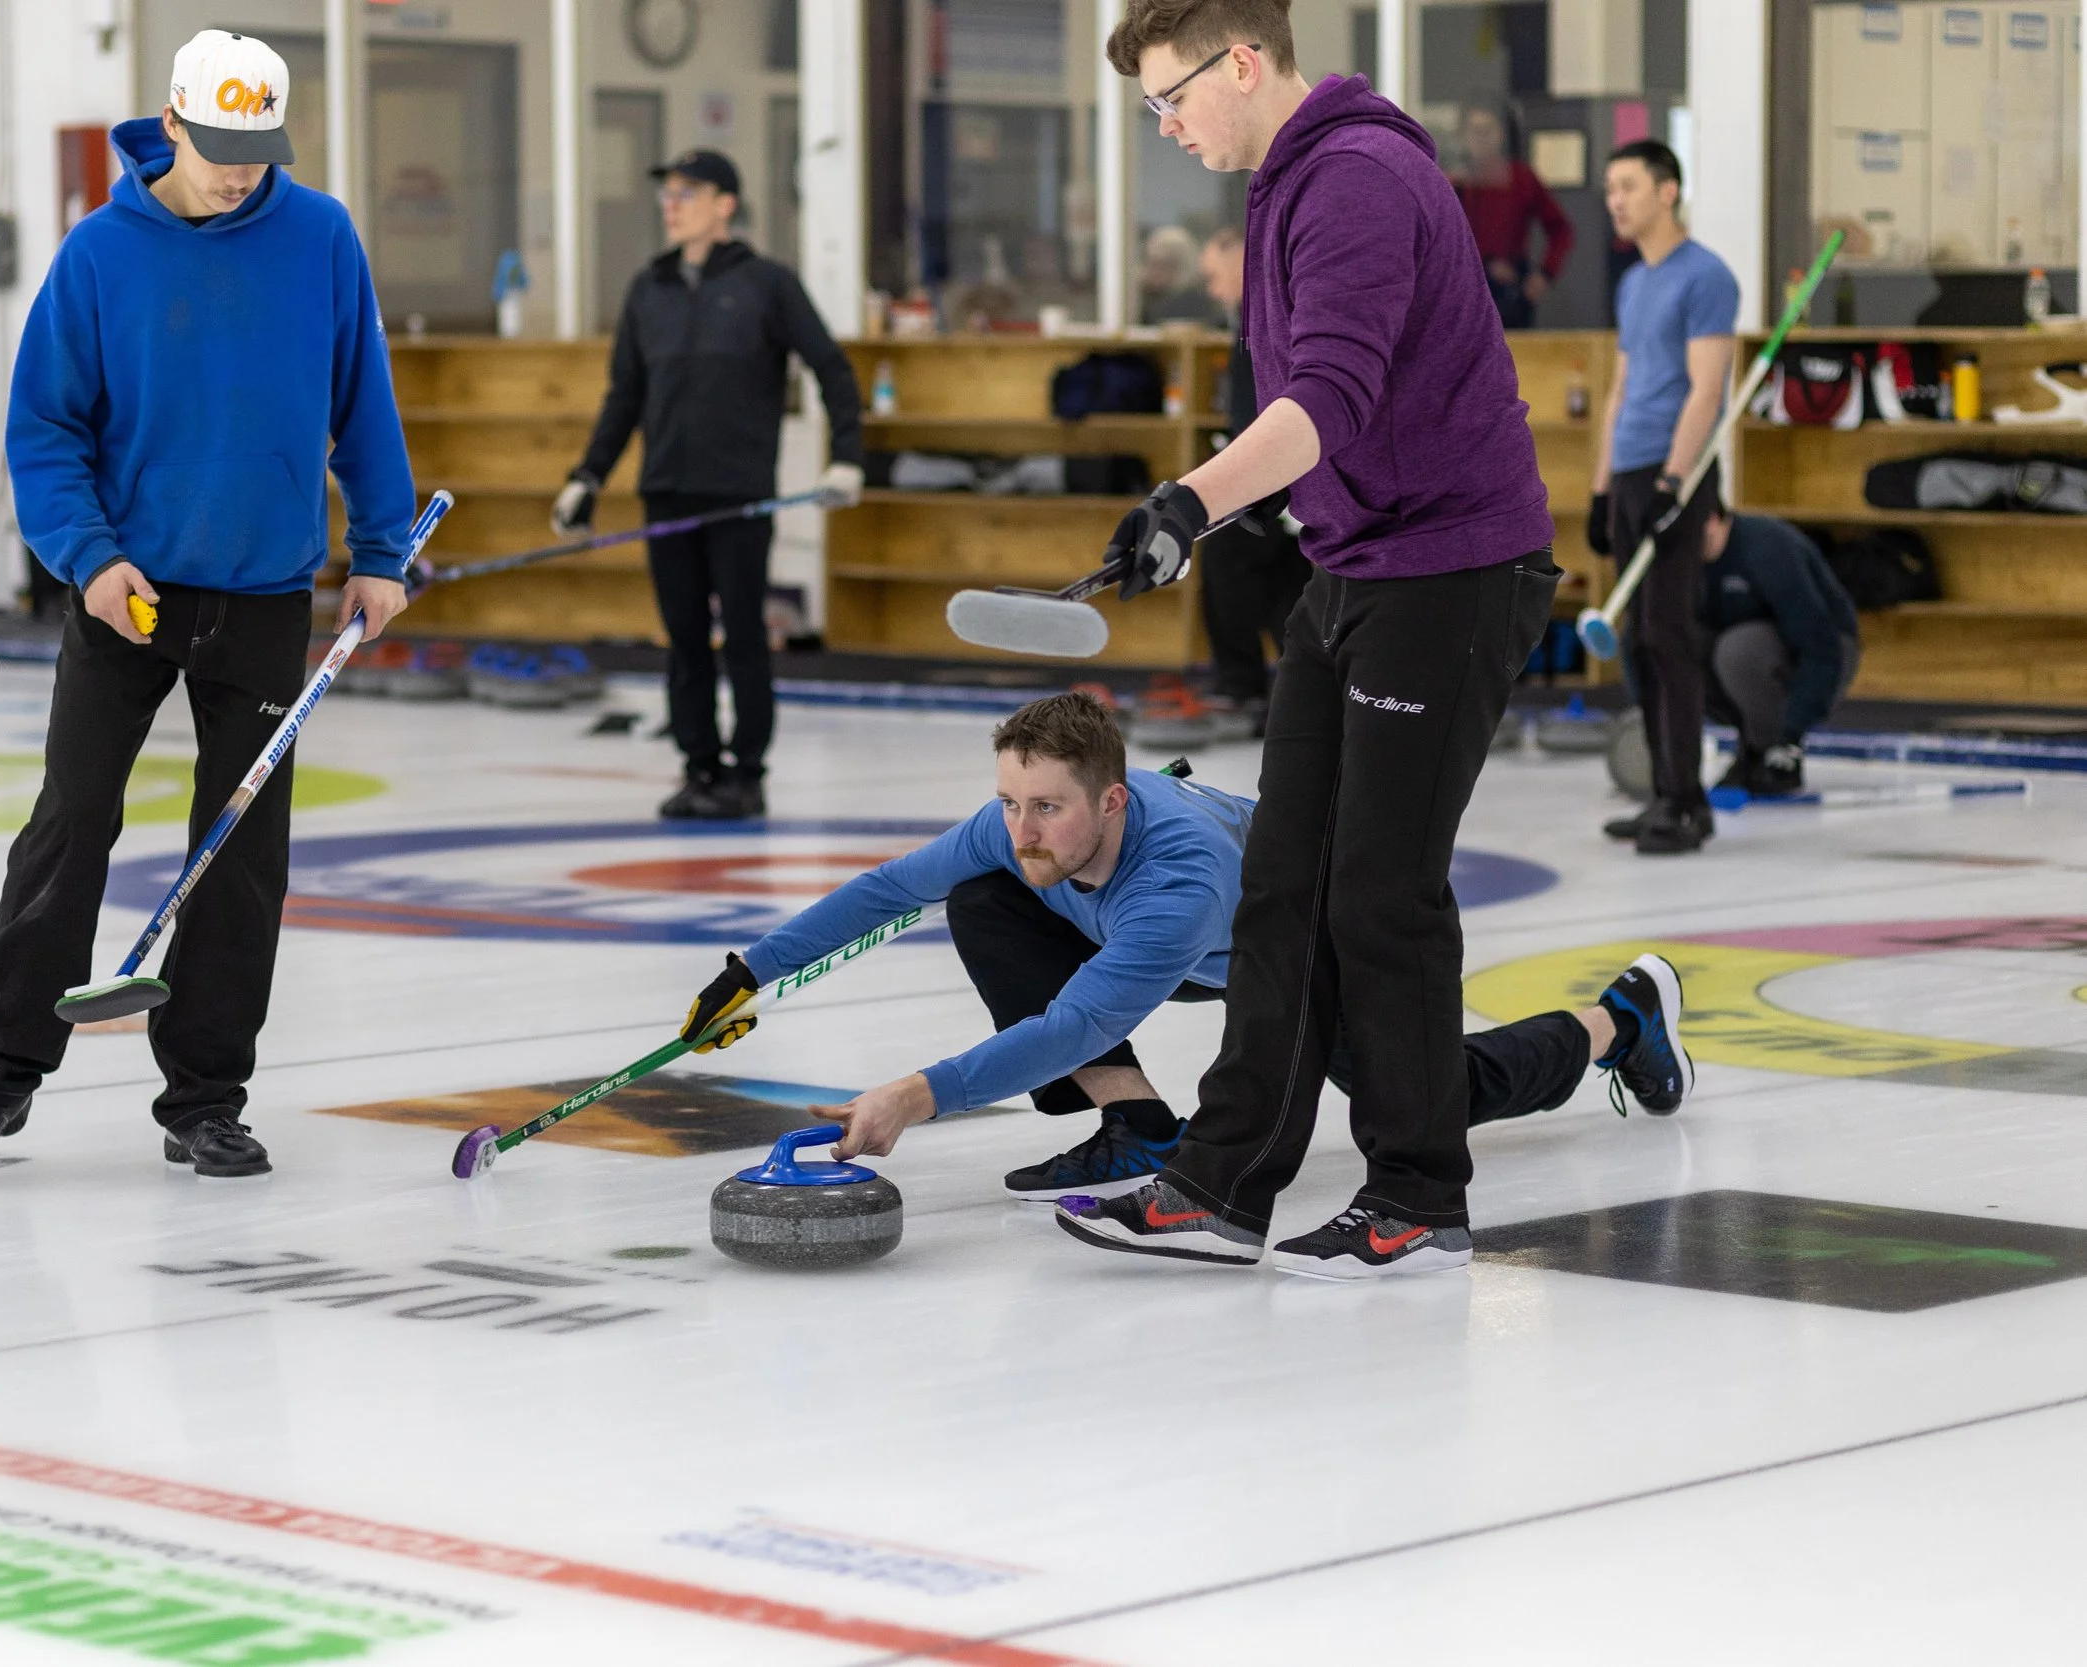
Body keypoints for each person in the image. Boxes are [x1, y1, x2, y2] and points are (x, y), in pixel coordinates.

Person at [1067, 1, 1562, 1279]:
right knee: (1283, 882)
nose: (1164, 124)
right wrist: (1217, 514)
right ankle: (1219, 1185)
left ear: (1242, 61)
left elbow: (1327, 398)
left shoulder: (1352, 178)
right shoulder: (1283, 181)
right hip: (1354, 568)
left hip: (1452, 571)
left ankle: (1417, 1194)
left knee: (1378, 893)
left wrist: (1189, 500)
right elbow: (1325, 413)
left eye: (1169, 95)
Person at [0, 30, 416, 1188]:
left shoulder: (320, 235)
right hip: (126, 591)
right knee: (71, 822)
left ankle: (205, 1097)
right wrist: (87, 559)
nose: (241, 172)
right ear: (172, 123)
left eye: (260, 151)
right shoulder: (100, 254)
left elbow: (362, 400)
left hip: (266, 590)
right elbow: (45, 428)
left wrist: (381, 549)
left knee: (240, 850)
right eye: (222, 147)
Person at [677, 693, 1691, 1202]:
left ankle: (1621, 1016)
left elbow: (1074, 1021)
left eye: (1046, 808)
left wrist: (911, 1093)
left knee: (1428, 1102)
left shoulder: (1177, 882)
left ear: (1109, 801)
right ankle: (1140, 1128)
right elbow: (893, 886)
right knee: (984, 896)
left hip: (1304, 936)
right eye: (1009, 801)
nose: (1020, 826)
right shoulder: (1018, 832)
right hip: (1176, 942)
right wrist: (749, 971)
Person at [557, 149, 864, 822]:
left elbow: (833, 371)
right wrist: (586, 477)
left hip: (739, 494)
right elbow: (624, 396)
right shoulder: (648, 289)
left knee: (744, 636)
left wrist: (846, 458)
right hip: (666, 491)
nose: (671, 204)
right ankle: (699, 767)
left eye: (687, 192)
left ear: (725, 203)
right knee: (684, 638)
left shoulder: (766, 284)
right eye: (667, 193)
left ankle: (745, 773)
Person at [1587, 138, 1739, 855]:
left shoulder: (1706, 277)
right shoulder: (1634, 281)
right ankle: (1659, 790)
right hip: (1628, 472)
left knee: (1666, 634)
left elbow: (1706, 391)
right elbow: (1620, 389)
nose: (1615, 200)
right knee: (1636, 643)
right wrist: (1599, 487)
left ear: (1667, 191)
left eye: (1627, 186)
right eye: (1609, 188)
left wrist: (1676, 483)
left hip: (1675, 474)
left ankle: (1687, 801)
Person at [1194, 224, 1308, 731]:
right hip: (1272, 472)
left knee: (1229, 566)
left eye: (1214, 275)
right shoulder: (1251, 316)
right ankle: (1293, 688)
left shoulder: (1266, 317)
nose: (1211, 288)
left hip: (1272, 473)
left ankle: (1242, 684)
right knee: (1287, 584)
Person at [1699, 503, 1861, 797]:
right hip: (1760, 648)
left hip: (1824, 650)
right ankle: (1751, 745)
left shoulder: (1768, 548)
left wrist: (1790, 736)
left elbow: (1820, 646)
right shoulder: (1684, 559)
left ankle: (1773, 749)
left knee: (1738, 651)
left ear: (1711, 520)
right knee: (1678, 642)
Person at [1448, 101, 1574, 329]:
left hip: (1512, 291)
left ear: (1501, 134)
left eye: (1487, 130)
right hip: (1465, 288)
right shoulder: (1455, 181)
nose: (1481, 137)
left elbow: (1561, 229)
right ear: (1463, 135)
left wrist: (1545, 274)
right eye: (1474, 130)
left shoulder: (1520, 178)